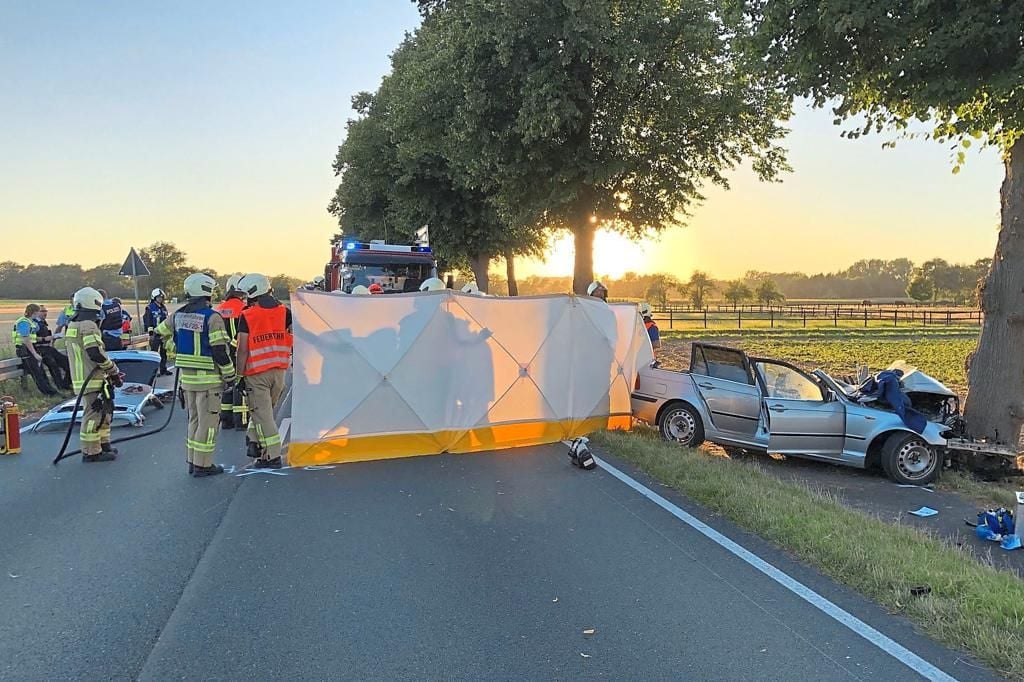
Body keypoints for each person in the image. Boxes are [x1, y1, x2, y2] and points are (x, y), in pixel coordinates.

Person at [157, 273, 236, 477]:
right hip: (209, 381)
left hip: (187, 380)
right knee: (208, 424)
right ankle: (203, 464)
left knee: (193, 420)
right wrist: (230, 375)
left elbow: (158, 332)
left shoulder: (178, 315)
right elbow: (219, 350)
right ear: (207, 291)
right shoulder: (212, 317)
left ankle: (192, 461)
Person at [236, 273, 292, 468]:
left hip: (256, 372)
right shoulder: (285, 312)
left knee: (264, 416)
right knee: (264, 413)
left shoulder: (247, 315)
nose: (244, 298)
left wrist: (239, 375)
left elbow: (242, 349)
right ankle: (253, 439)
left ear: (253, 292)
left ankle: (272, 456)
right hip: (280, 372)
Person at [65, 287, 122, 462]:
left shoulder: (73, 324)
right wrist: (113, 370)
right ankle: (91, 452)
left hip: (87, 377)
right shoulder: (88, 326)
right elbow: (95, 353)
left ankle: (103, 445)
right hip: (91, 378)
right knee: (93, 415)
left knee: (104, 413)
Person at [216, 275, 248, 430]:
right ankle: (241, 420)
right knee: (240, 385)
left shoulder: (219, 309)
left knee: (227, 385)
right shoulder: (243, 309)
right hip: (237, 351)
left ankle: (226, 419)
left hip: (222, 352)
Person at [11, 304, 58, 396]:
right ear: (35, 312)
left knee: (40, 372)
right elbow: (26, 339)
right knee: (36, 372)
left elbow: (33, 337)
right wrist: (35, 354)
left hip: (30, 348)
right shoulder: (24, 322)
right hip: (25, 349)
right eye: (38, 312)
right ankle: (49, 393)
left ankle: (51, 391)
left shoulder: (30, 322)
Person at [32, 305, 72, 390]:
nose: (45, 313)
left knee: (68, 363)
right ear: (37, 313)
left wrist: (53, 339)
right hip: (41, 349)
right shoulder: (34, 323)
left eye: (46, 311)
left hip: (48, 348)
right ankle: (61, 387)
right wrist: (44, 339)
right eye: (42, 311)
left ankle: (66, 384)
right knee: (53, 365)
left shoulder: (42, 323)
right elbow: (30, 337)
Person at [144, 288, 172, 376]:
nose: (160, 299)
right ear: (154, 297)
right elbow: (148, 321)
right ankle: (154, 371)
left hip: (163, 334)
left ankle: (163, 369)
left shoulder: (163, 307)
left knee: (163, 353)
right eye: (158, 297)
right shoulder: (150, 308)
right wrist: (151, 334)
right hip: (155, 334)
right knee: (154, 353)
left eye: (161, 297)